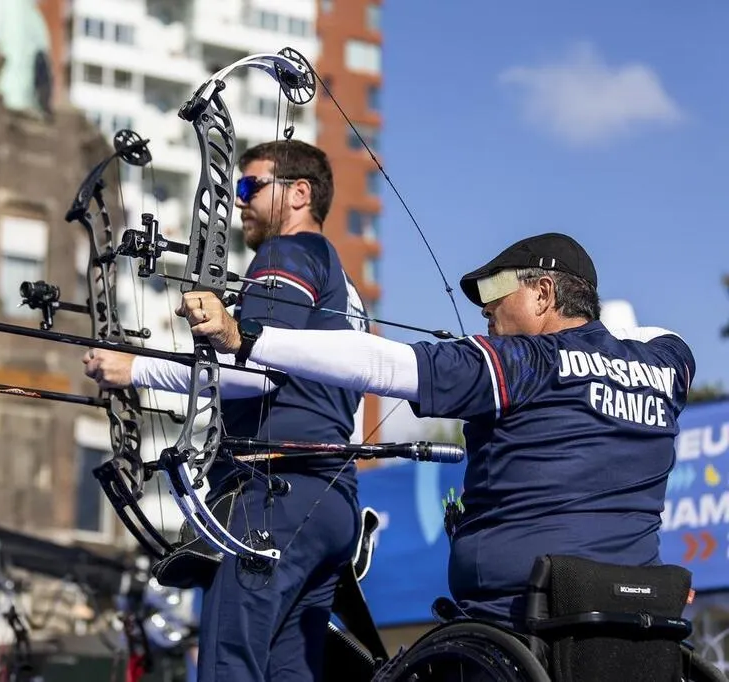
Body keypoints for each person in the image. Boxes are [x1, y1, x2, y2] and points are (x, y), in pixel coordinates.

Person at [179, 232, 695, 630]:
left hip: (519, 617)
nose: (485, 308)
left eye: (496, 289)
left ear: (543, 294)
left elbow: (379, 364)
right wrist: (600, 344)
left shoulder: (521, 362)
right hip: (638, 617)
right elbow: (662, 334)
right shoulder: (666, 366)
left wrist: (244, 337)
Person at [83, 140, 367, 682]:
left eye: (250, 186)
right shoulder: (346, 287)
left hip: (274, 497)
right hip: (332, 503)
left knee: (228, 666)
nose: (238, 200)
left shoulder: (287, 256)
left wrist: (134, 368)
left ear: (300, 193)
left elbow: (253, 373)